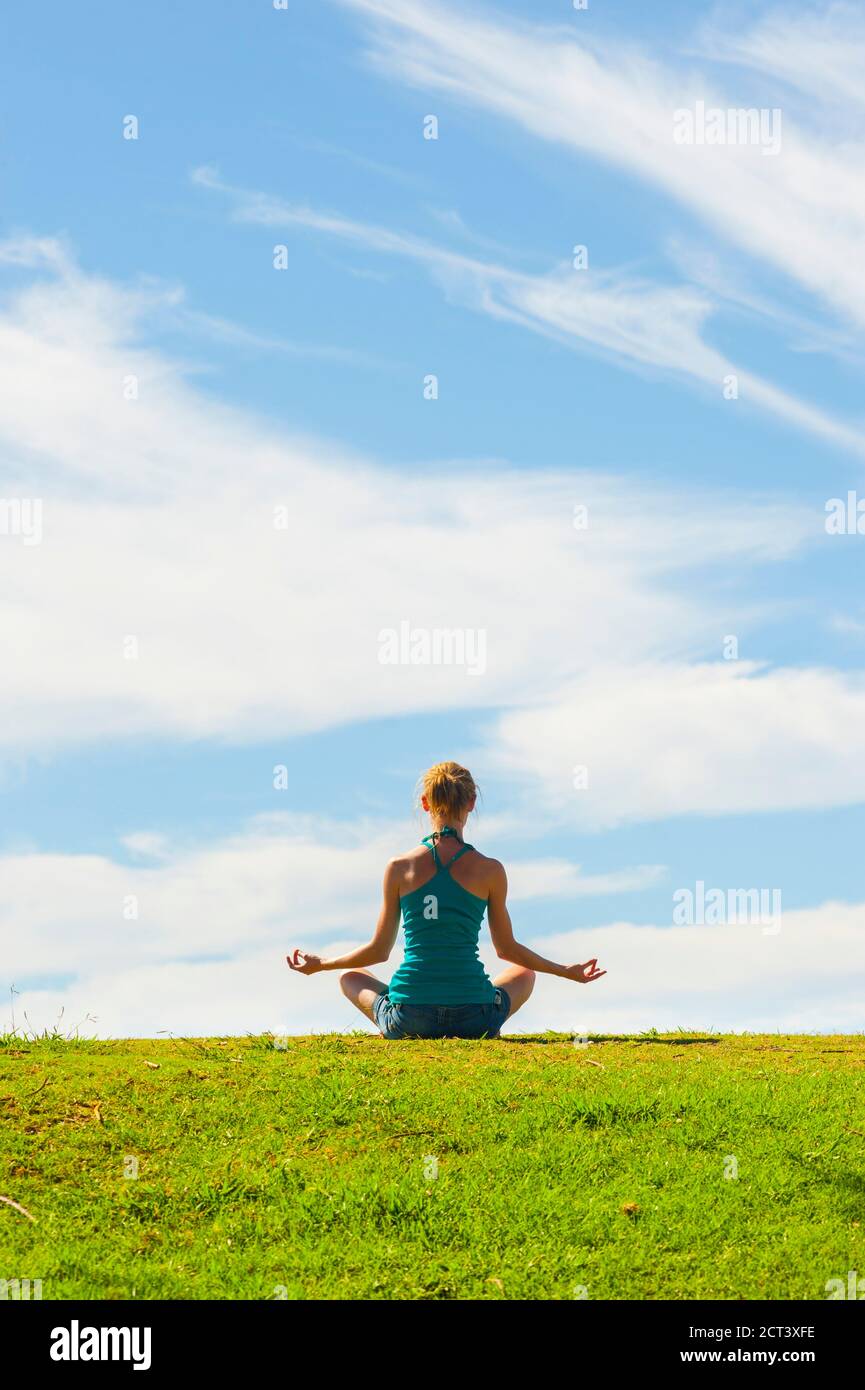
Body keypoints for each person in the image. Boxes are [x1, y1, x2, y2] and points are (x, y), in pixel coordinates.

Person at [287, 760, 606, 1039]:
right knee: (524, 974)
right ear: (471, 802)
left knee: (349, 977)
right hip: (474, 1017)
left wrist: (323, 965)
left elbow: (379, 951)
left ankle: (391, 1022)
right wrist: (566, 971)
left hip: (410, 1016)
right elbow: (507, 949)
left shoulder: (399, 868)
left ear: (426, 804)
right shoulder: (490, 870)